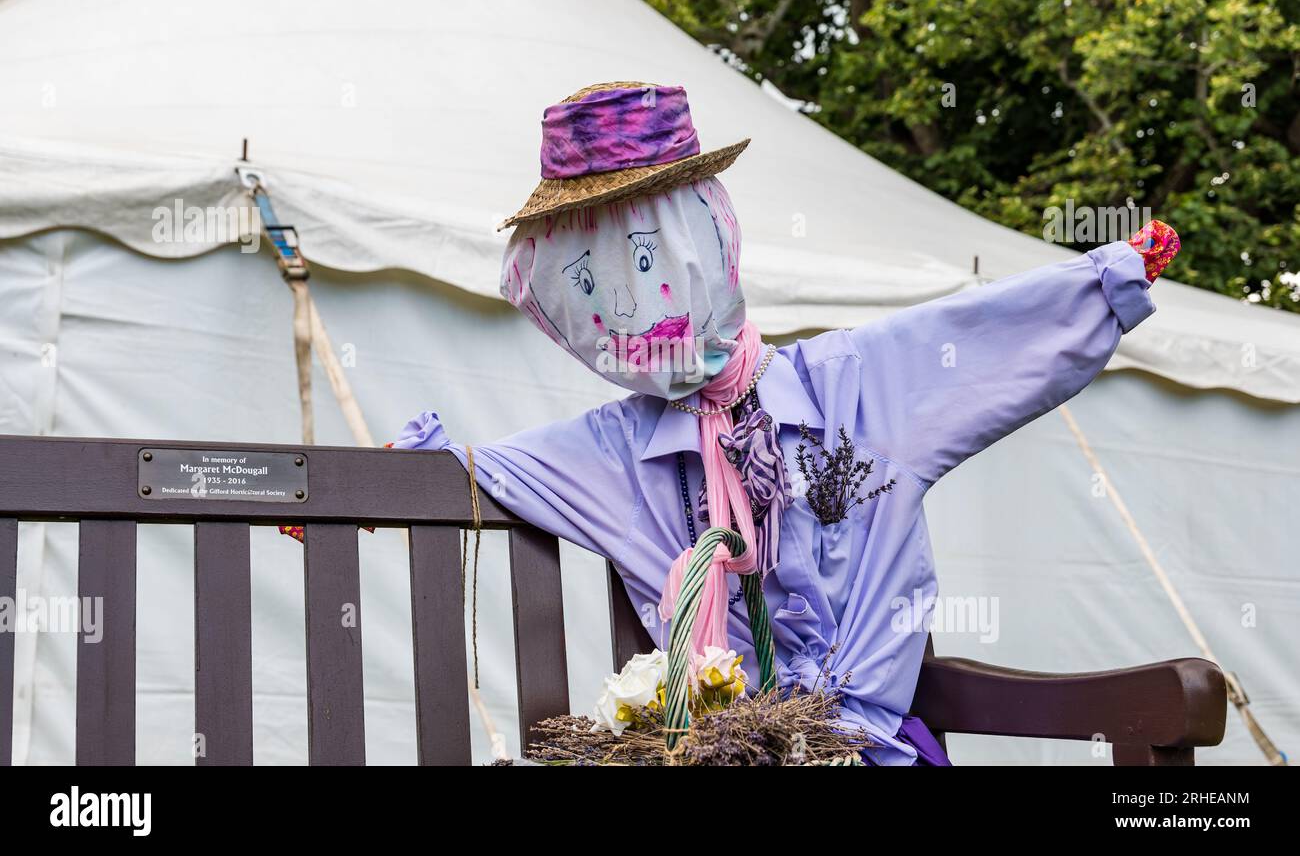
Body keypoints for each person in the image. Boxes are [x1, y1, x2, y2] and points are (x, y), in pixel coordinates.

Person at [286, 82, 1180, 765]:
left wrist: (1102, 283)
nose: (636, 304)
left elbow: (977, 337)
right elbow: (486, 471)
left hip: (861, 749)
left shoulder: (858, 387)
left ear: (704, 239)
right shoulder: (611, 450)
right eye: (593, 282)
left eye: (649, 260)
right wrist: (359, 491)